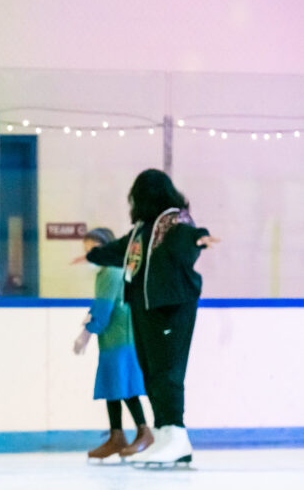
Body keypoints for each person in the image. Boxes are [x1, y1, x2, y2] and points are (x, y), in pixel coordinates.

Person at [81, 169, 217, 468]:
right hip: (144, 307)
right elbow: (121, 251)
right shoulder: (142, 230)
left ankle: (177, 435)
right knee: (152, 374)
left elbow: (188, 238)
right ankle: (165, 435)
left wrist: (200, 237)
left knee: (168, 373)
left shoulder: (175, 221)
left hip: (171, 306)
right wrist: (94, 255)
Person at [72, 227, 151, 461]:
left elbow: (104, 308)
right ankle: (117, 435)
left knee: (123, 385)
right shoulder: (112, 270)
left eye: (94, 249)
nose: (90, 255)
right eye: (86, 250)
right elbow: (101, 305)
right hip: (114, 338)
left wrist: (86, 332)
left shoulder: (110, 271)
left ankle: (143, 431)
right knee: (113, 386)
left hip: (119, 339)